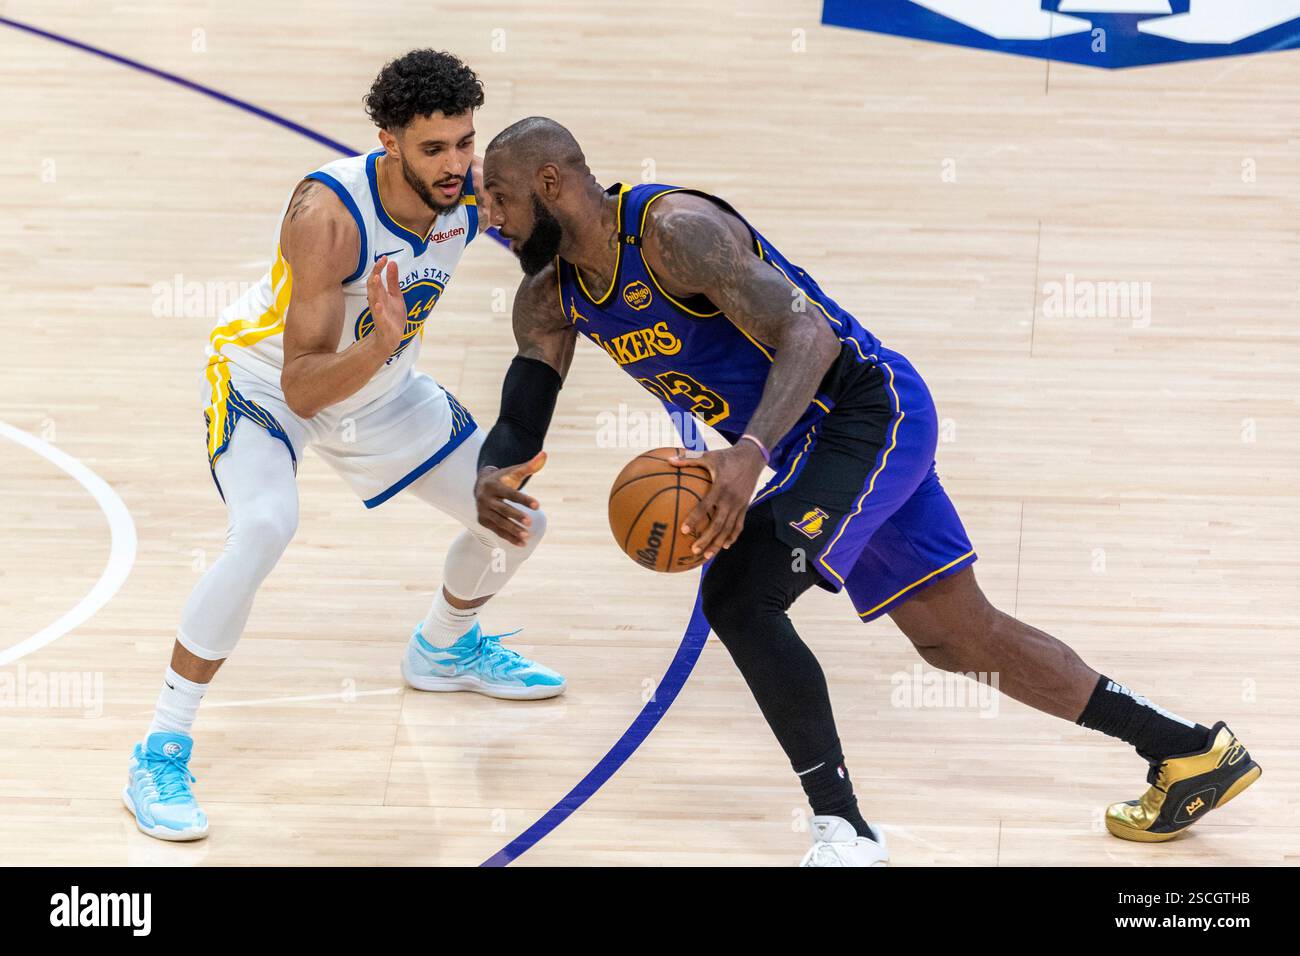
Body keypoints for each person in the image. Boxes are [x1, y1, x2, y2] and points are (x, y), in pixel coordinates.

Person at [471, 116, 1260, 866]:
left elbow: (809, 333)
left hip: (866, 410)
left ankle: (844, 829)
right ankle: (1189, 751)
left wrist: (747, 454)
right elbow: (523, 413)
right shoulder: (551, 298)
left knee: (741, 594)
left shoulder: (673, 230)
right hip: (808, 448)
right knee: (960, 637)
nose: (489, 217)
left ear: (550, 183)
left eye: (498, 198)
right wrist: (492, 473)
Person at [124, 53, 564, 844]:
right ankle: (159, 746)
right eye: (435, 150)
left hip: (382, 391)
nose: (457, 166)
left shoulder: (473, 193)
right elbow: (300, 384)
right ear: (388, 141)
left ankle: (443, 648)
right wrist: (383, 342)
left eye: (465, 143)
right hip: (267, 385)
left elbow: (557, 257)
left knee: (517, 522)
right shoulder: (328, 212)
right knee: (263, 527)